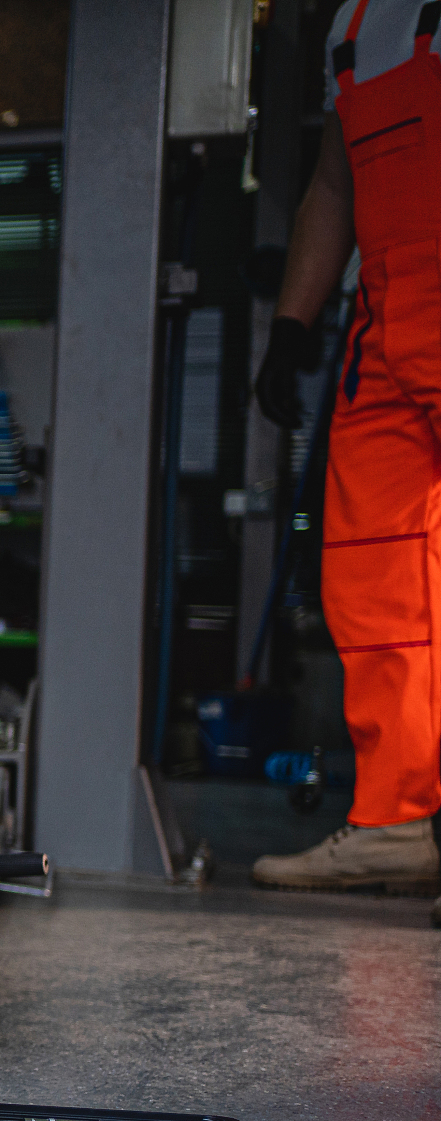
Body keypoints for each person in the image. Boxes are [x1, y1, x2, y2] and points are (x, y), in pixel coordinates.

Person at [252, 0, 441, 900]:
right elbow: (337, 183)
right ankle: (395, 823)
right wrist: (292, 323)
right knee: (374, 578)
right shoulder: (355, 24)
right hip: (385, 314)